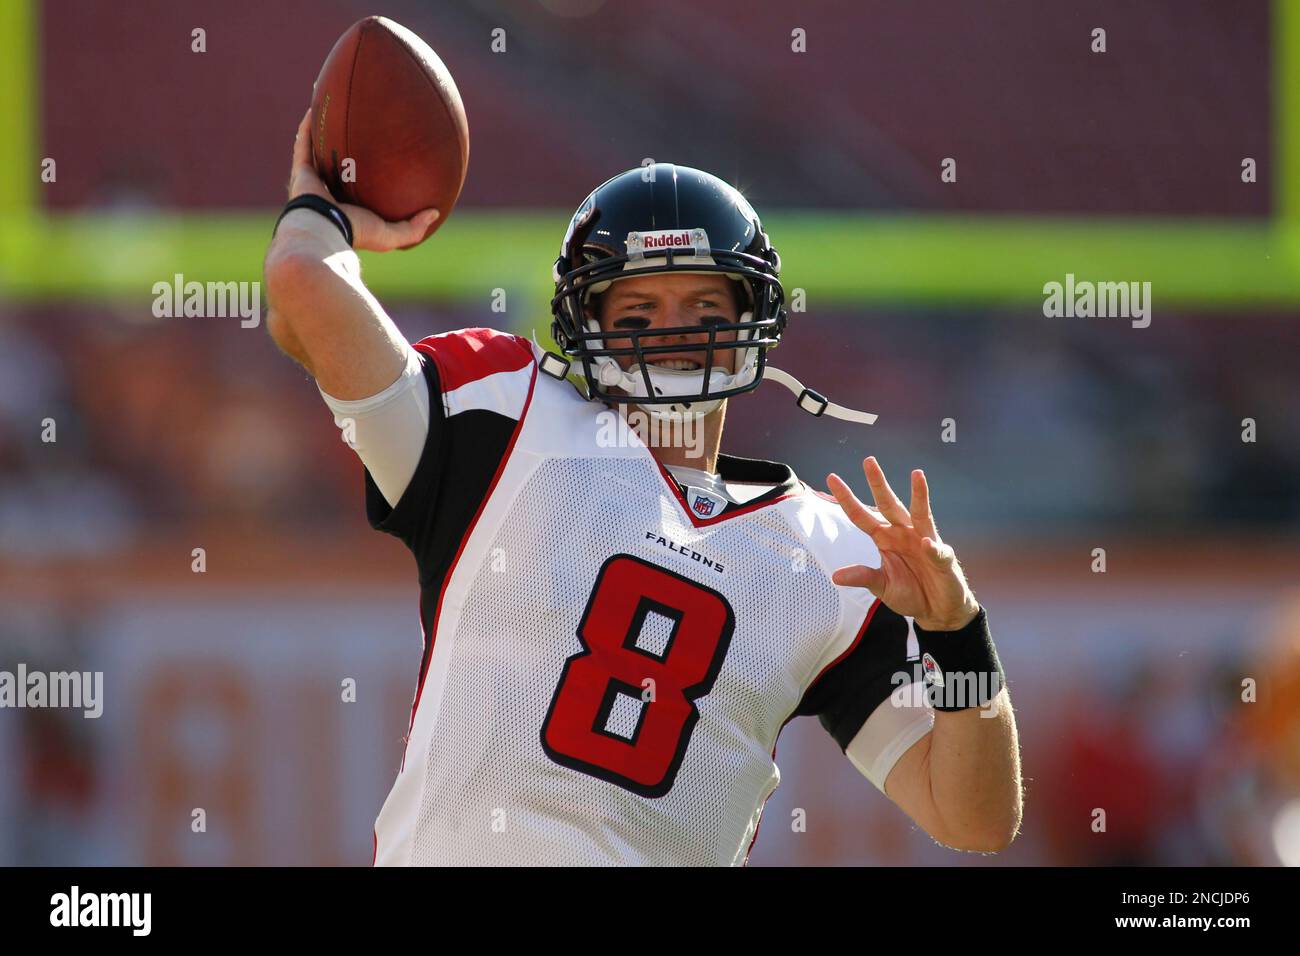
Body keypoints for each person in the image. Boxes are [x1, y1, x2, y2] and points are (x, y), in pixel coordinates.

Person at [264, 111, 1021, 865]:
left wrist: (959, 638)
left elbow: (975, 821)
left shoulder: (835, 559)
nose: (674, 332)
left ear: (751, 318)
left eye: (703, 307)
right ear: (584, 321)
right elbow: (304, 288)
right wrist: (322, 214)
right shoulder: (503, 424)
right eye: (638, 311)